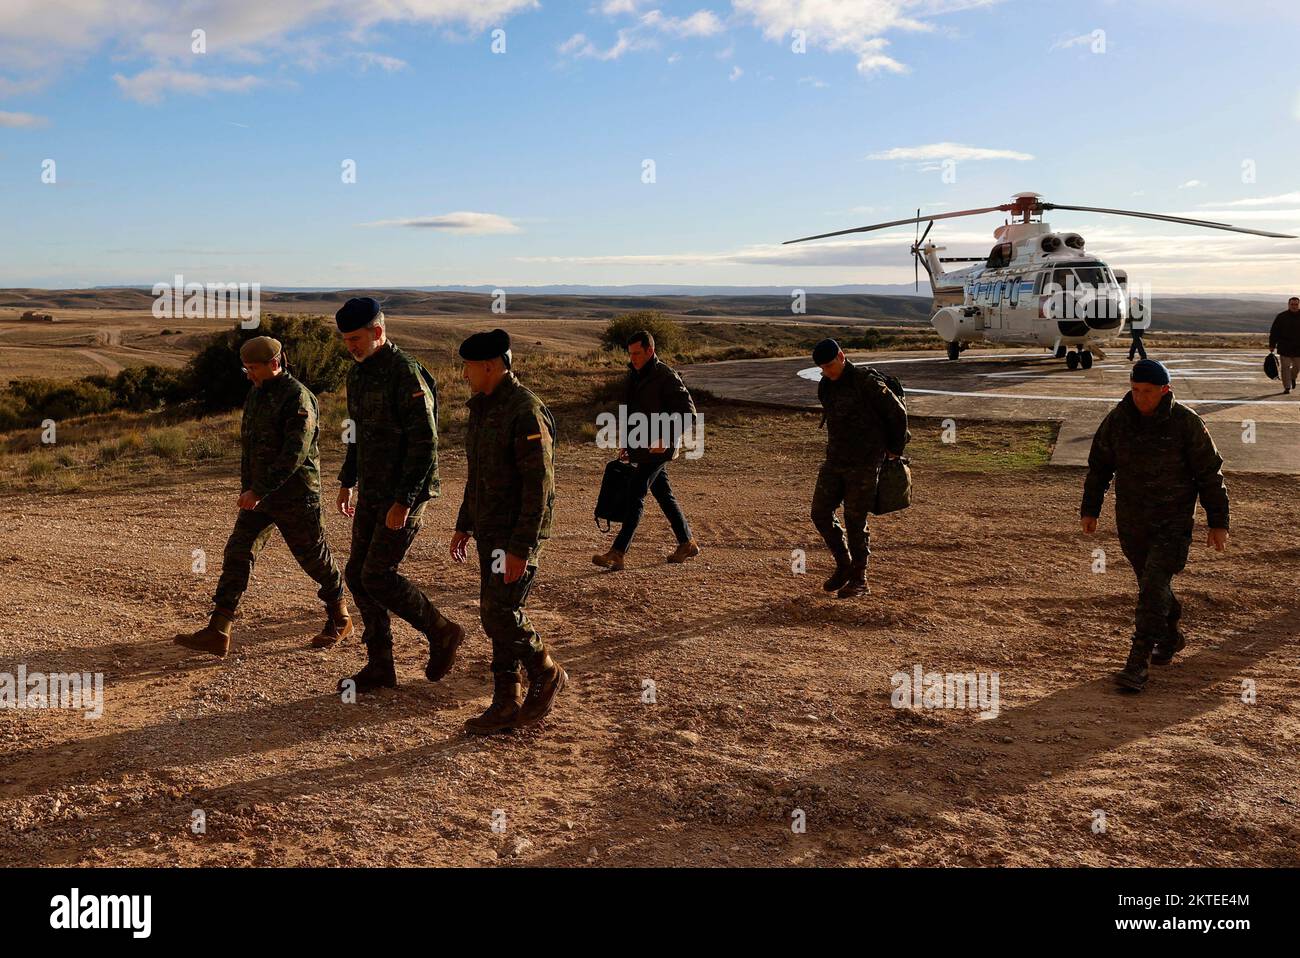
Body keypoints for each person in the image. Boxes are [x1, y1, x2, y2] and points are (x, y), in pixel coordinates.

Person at [173, 336, 352, 657]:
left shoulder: (298, 397)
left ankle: (340, 617)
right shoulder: (256, 393)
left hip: (296, 497)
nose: (250, 375)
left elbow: (294, 453)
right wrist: (252, 489)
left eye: (254, 368)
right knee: (238, 553)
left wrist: (258, 489)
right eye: (246, 369)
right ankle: (218, 629)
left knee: (314, 559)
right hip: (260, 497)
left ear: (275, 363)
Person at [333, 297, 464, 693]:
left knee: (378, 574)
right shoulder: (358, 375)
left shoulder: (406, 373)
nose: (350, 347)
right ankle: (380, 664)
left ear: (377, 331)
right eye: (345, 340)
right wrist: (347, 480)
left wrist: (404, 500)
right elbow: (355, 433)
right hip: (372, 489)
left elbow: (425, 444)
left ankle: (441, 631)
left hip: (404, 493)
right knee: (357, 574)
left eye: (356, 339)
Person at [1080, 359, 1230, 692]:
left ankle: (1138, 662)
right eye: (1135, 390)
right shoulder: (1118, 420)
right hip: (1132, 520)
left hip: (1173, 521)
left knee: (1152, 585)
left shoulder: (1186, 423)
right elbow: (1099, 467)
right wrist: (1090, 509)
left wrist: (1218, 522)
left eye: (1147, 391)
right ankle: (1171, 633)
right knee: (1152, 585)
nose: (1140, 397)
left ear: (1165, 390)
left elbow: (1209, 474)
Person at [450, 329, 567, 735]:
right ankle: (505, 702)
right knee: (495, 613)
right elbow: (477, 475)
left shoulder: (525, 411)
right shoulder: (483, 408)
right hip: (490, 530)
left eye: (468, 367)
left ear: (489, 366)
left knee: (498, 612)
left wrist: (521, 547)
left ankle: (545, 670)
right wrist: (465, 523)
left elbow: (539, 487)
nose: (464, 374)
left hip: (516, 534)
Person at [809, 339, 909, 599]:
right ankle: (844, 564)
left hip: (865, 462)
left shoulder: (867, 382)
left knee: (855, 519)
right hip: (835, 460)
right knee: (820, 512)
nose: (827, 371)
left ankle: (859, 579)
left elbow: (898, 414)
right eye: (823, 368)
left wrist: (894, 450)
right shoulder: (826, 385)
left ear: (842, 356)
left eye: (830, 365)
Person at [592, 330, 699, 571]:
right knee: (664, 494)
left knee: (635, 494)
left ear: (650, 350)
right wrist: (628, 443)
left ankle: (618, 552)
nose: (633, 358)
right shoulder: (635, 375)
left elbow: (689, 413)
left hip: (659, 448)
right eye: (630, 354)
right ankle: (687, 542)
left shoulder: (665, 376)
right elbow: (633, 413)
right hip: (641, 446)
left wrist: (667, 437)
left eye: (637, 353)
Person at [1268, 296, 1300, 394]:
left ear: (1299, 305)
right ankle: (1287, 387)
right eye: (1292, 304)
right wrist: (1272, 344)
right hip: (1285, 346)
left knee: (1297, 367)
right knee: (1285, 368)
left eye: (1296, 304)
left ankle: (1292, 377)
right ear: (1288, 305)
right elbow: (1274, 332)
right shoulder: (1281, 317)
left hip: (1299, 347)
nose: (1294, 306)